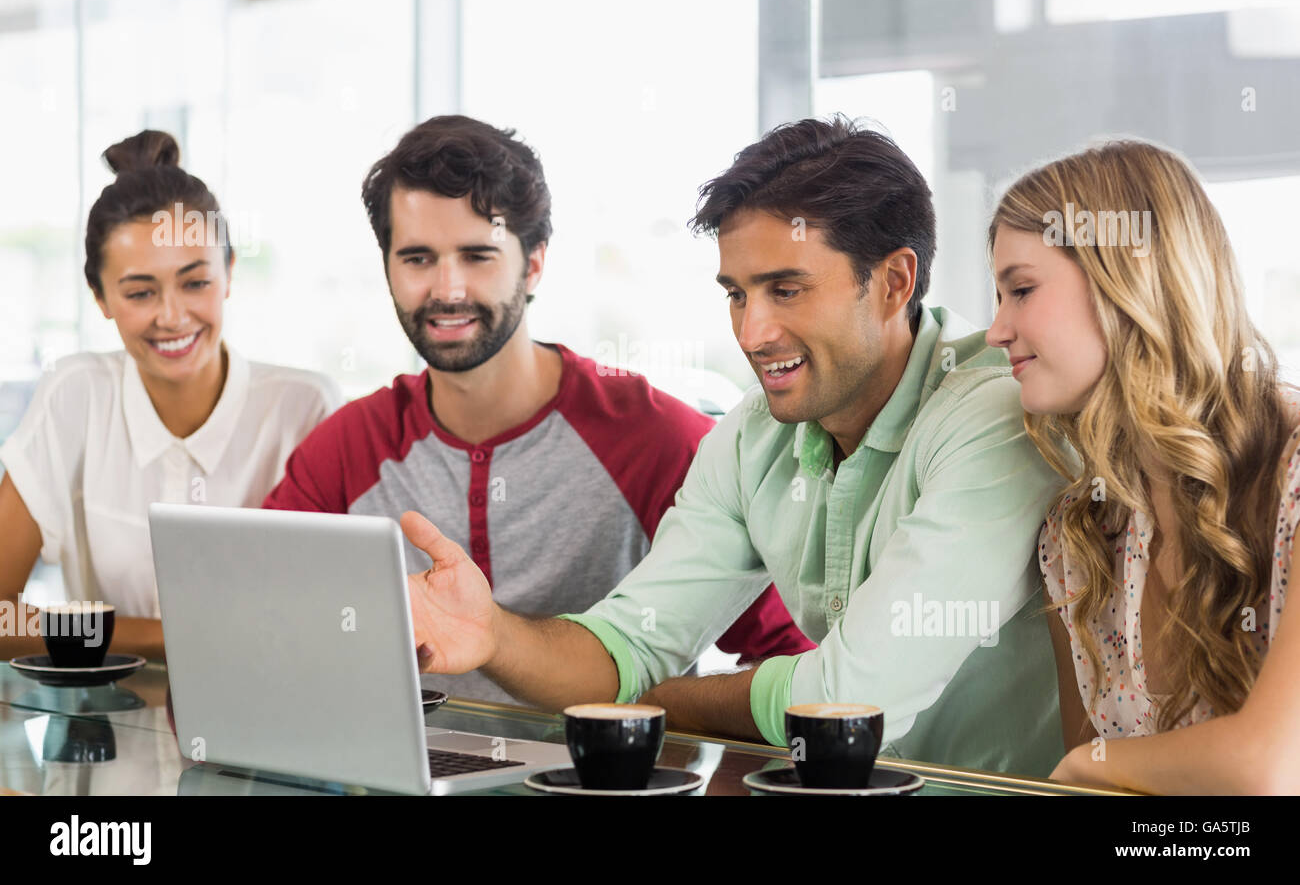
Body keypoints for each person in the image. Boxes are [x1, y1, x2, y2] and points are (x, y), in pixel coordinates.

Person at [400, 115, 1070, 776]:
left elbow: (842, 702)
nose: (752, 333)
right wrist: (491, 632)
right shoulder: (754, 437)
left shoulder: (994, 415)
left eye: (786, 290)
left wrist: (655, 702)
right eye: (737, 295)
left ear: (894, 282)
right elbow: (623, 646)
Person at [262, 115, 813, 703]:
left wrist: (657, 720)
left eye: (477, 256)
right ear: (388, 268)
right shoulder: (347, 446)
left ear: (534, 263)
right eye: (418, 259)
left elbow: (793, 663)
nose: (447, 289)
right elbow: (253, 623)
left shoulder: (656, 437)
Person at [986, 138, 1300, 794]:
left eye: (1021, 290)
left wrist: (1079, 765)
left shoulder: (1293, 476)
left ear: (1127, 278)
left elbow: (1269, 766)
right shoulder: (1078, 536)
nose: (996, 331)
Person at [0, 130, 340, 660]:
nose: (172, 316)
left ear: (228, 273)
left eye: (195, 282)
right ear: (100, 298)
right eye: (139, 292)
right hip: (110, 723)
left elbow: (345, 616)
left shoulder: (304, 409)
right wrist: (169, 639)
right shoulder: (76, 395)